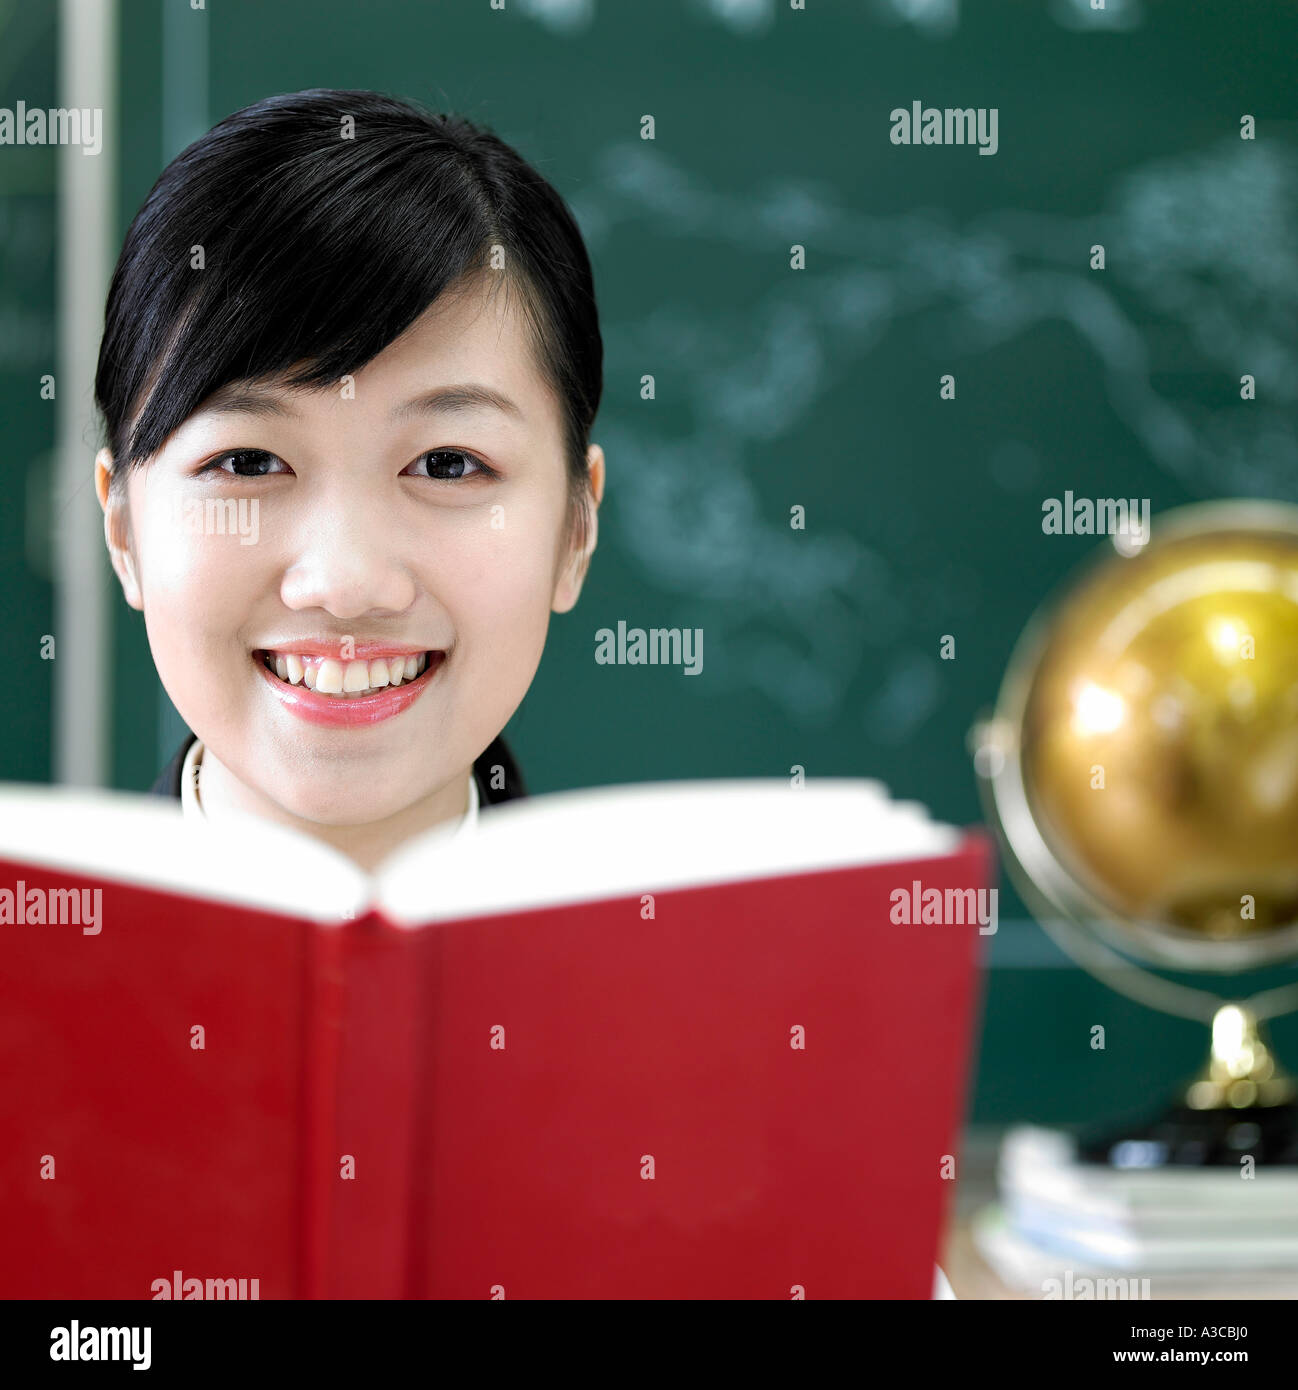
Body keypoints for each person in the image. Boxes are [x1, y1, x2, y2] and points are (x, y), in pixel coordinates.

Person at [93, 86, 953, 1300]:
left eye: (448, 462)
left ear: (574, 527)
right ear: (123, 526)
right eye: (247, 459)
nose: (347, 583)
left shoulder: (758, 1069)